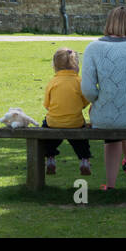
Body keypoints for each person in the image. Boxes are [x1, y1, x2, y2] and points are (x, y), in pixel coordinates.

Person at [81, 6, 126, 191]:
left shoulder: (93, 48)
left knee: (110, 119)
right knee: (117, 112)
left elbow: (88, 90)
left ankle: (111, 186)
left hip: (108, 117)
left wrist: (97, 101)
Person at [42, 48, 92, 176]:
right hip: (75, 122)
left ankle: (50, 158)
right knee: (81, 141)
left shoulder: (52, 82)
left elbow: (47, 105)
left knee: (48, 139)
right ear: (76, 65)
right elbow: (85, 101)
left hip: (53, 122)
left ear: (54, 65)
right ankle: (84, 160)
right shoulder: (79, 81)